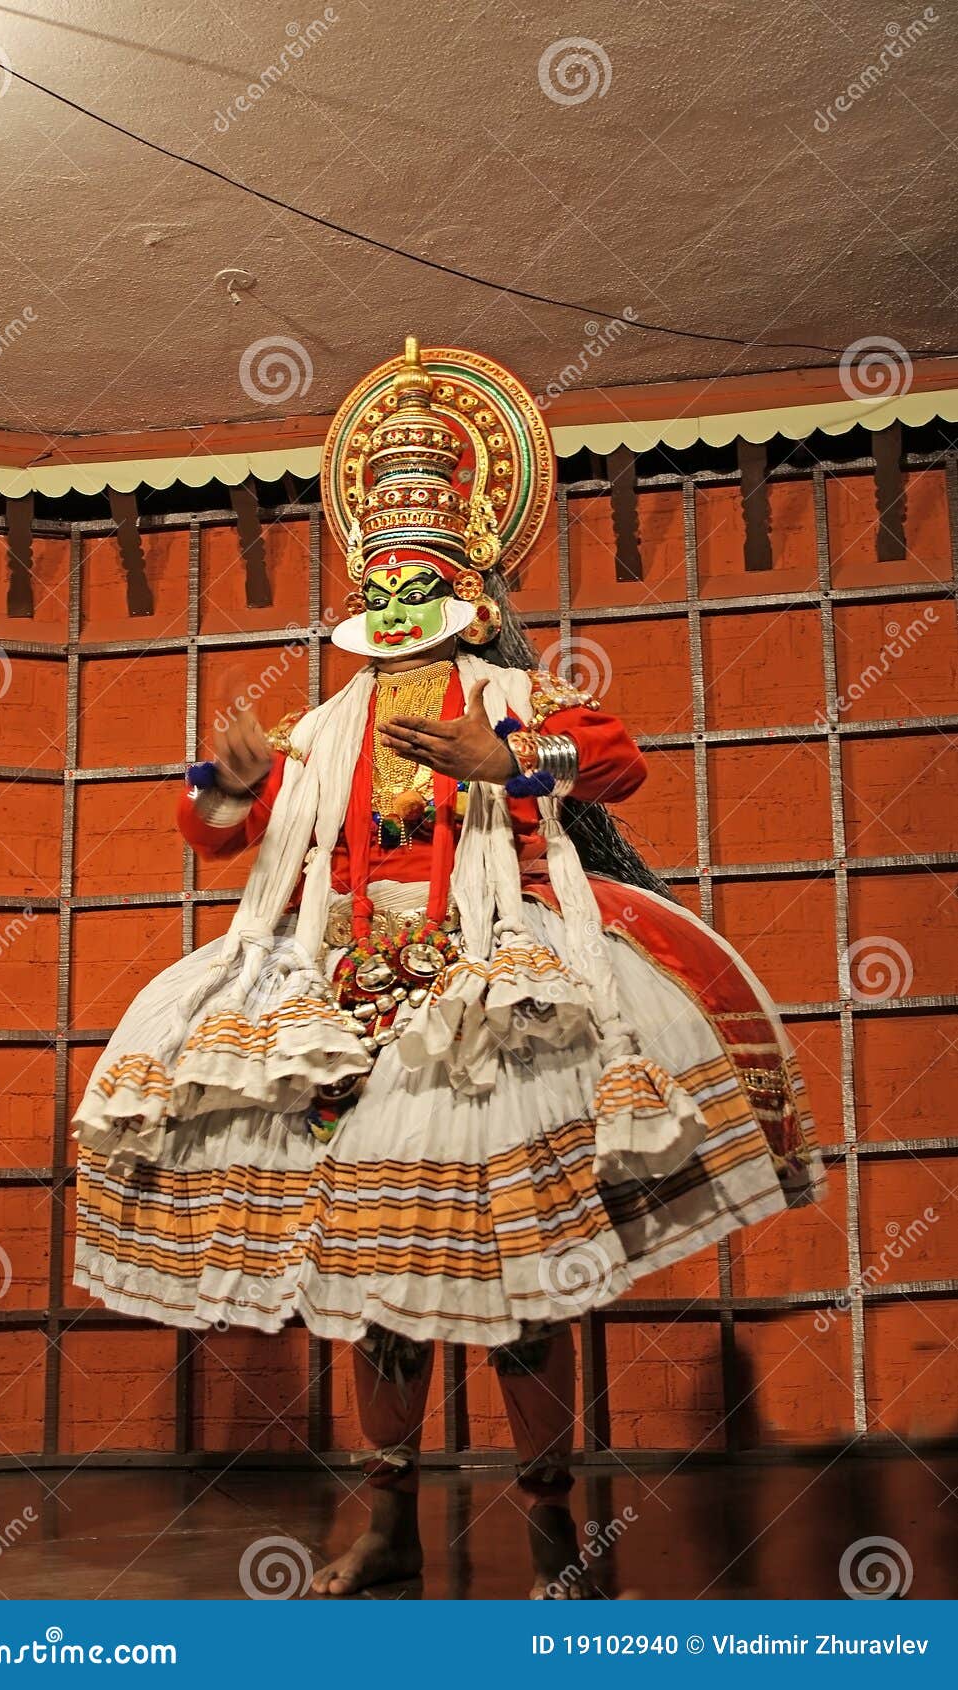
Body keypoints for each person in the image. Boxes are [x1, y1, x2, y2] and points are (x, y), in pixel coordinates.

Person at [73, 338, 823, 1598]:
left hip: (493, 1006)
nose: (404, 604)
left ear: (469, 585)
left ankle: (552, 1541)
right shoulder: (323, 724)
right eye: (386, 581)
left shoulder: (517, 695)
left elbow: (621, 758)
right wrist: (231, 784)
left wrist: (506, 760)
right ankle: (391, 1525)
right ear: (363, 594)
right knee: (374, 1282)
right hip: (346, 1007)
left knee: (526, 1281)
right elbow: (219, 830)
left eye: (425, 580)